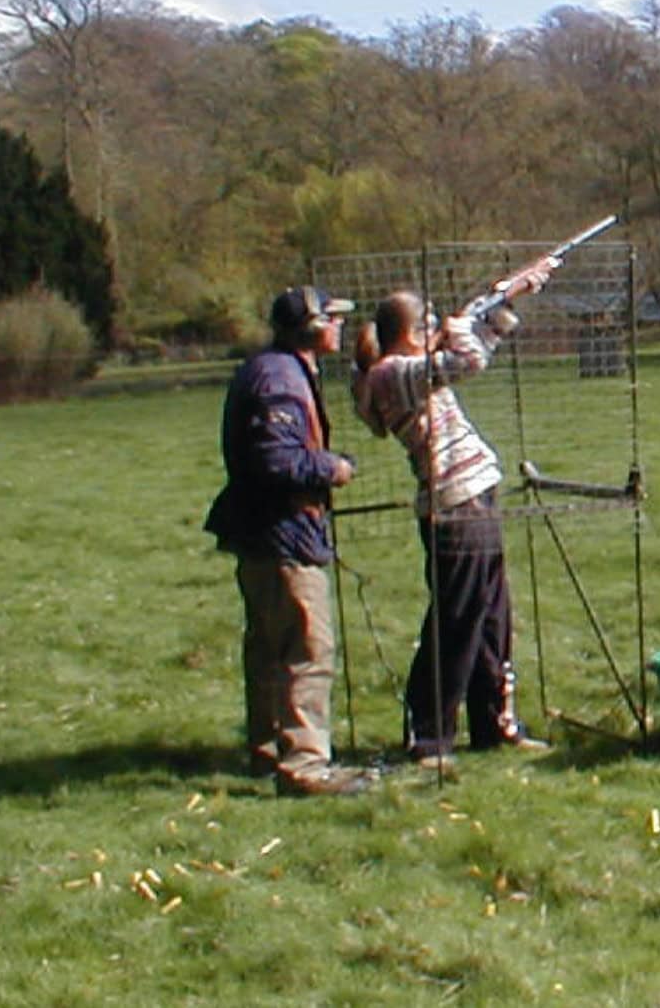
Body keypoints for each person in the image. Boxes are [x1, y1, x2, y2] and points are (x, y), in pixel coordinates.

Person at [351, 260, 557, 766]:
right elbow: (468, 361)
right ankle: (428, 737)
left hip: (474, 500)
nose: (434, 329)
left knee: (491, 619)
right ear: (410, 333)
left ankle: (494, 725)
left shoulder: (410, 371)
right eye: (428, 323)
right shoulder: (390, 375)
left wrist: (504, 302)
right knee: (456, 623)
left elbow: (475, 348)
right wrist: (462, 324)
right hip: (454, 507)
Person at [203, 286, 371, 797]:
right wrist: (333, 467)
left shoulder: (276, 369)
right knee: (307, 648)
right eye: (332, 319)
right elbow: (276, 460)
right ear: (311, 326)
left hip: (263, 530)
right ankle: (305, 766)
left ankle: (269, 748)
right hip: (282, 530)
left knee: (270, 648)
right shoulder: (279, 378)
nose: (339, 326)